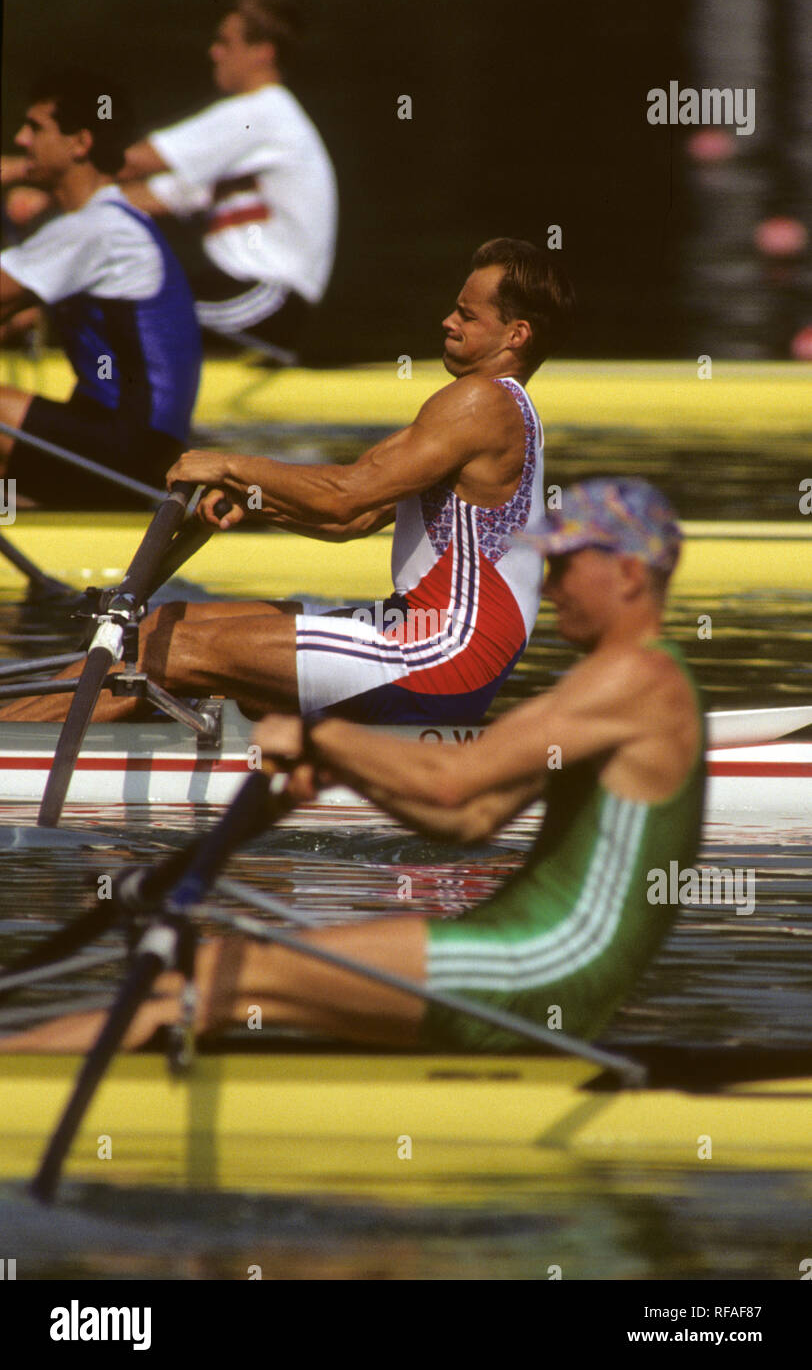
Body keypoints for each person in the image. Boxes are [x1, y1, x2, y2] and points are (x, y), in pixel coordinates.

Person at [1, 479, 706, 1055]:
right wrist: (347, 770)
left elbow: (454, 780)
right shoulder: (620, 681)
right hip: (534, 957)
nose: (548, 588)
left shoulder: (633, 679)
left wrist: (323, 740)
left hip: (540, 963)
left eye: (563, 566)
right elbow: (467, 817)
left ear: (628, 572)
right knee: (221, 976)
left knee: (221, 970)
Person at [1, 237, 575, 727]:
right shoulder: (491, 411)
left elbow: (348, 492)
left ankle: (15, 746)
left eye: (468, 315)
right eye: (455, 308)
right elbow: (349, 518)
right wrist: (255, 503)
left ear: (516, 334)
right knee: (163, 622)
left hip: (439, 652)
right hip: (429, 641)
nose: (448, 321)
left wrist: (226, 465)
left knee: (156, 648)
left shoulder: (480, 403)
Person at [0, 69, 202, 507]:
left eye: (35, 127)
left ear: (80, 143)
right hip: (121, 441)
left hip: (126, 452)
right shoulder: (106, 222)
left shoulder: (99, 228)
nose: (20, 139)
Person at [118, 0, 337, 357]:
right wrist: (59, 203)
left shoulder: (262, 113)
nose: (213, 53)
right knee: (107, 290)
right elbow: (151, 197)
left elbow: (133, 163)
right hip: (240, 294)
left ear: (263, 52)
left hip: (266, 298)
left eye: (225, 43)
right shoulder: (241, 139)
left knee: (120, 307)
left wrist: (28, 176)